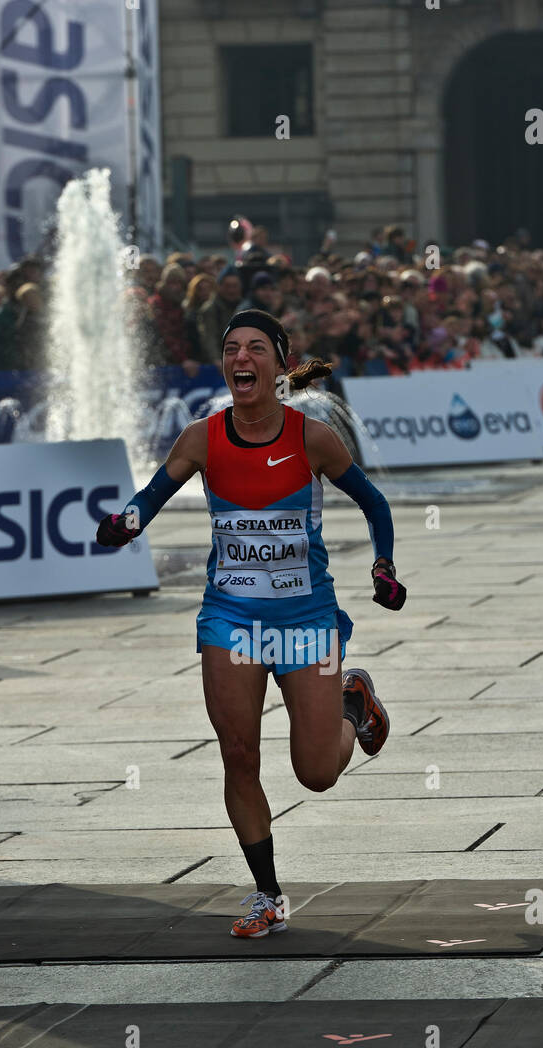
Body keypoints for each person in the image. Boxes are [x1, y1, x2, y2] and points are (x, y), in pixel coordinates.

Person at [94, 309, 406, 938]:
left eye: (256, 349)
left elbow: (374, 502)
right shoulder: (202, 438)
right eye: (233, 348)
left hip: (307, 620)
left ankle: (354, 704)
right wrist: (125, 522)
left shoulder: (311, 438)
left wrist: (384, 565)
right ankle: (267, 896)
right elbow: (149, 499)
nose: (242, 358)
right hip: (231, 620)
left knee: (316, 774)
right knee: (238, 755)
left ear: (280, 366)